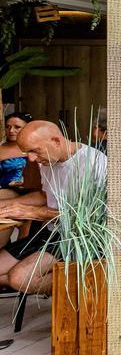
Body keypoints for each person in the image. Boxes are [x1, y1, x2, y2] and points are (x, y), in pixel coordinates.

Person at [0, 121, 107, 295]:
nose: (32, 159)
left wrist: (33, 212)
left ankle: (87, 287)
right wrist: (9, 205)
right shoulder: (47, 160)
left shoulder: (94, 163)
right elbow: (45, 195)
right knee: (13, 276)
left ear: (56, 141)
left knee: (19, 278)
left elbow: (84, 218)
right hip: (50, 232)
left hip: (75, 237)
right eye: (27, 152)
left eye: (34, 151)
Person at [0, 112, 33, 201]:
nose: (11, 131)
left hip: (30, 192)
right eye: (7, 127)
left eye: (17, 127)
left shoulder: (36, 148)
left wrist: (25, 182)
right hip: (4, 190)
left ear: (28, 128)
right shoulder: (0, 147)